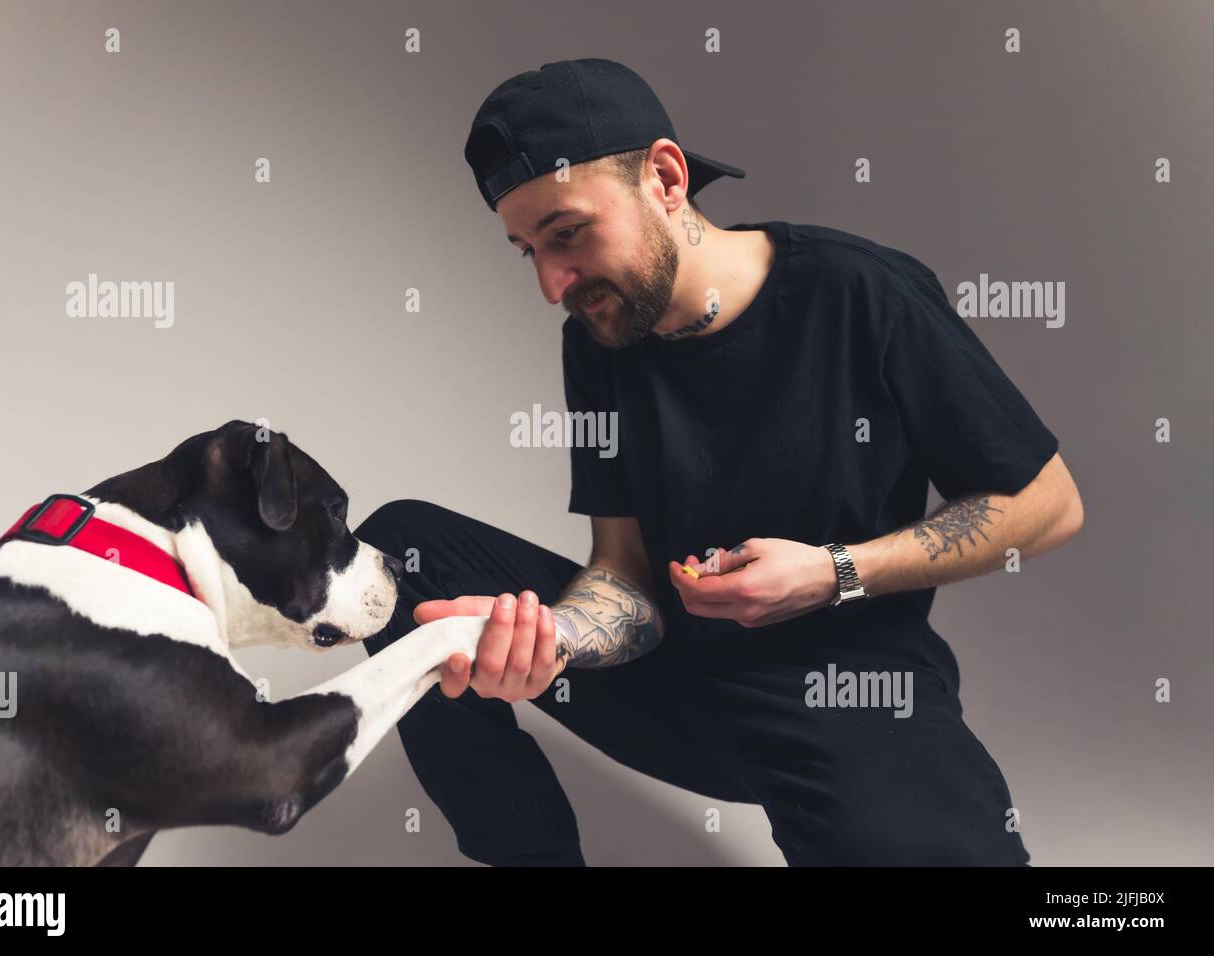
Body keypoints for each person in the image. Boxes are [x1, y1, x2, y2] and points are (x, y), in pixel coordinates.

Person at [357, 58, 1084, 866]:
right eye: (526, 250)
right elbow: (625, 571)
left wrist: (834, 570)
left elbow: (1048, 503)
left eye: (567, 235)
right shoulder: (599, 335)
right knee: (398, 549)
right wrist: (554, 638)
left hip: (845, 697)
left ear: (665, 178)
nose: (553, 282)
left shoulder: (859, 292)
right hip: (677, 680)